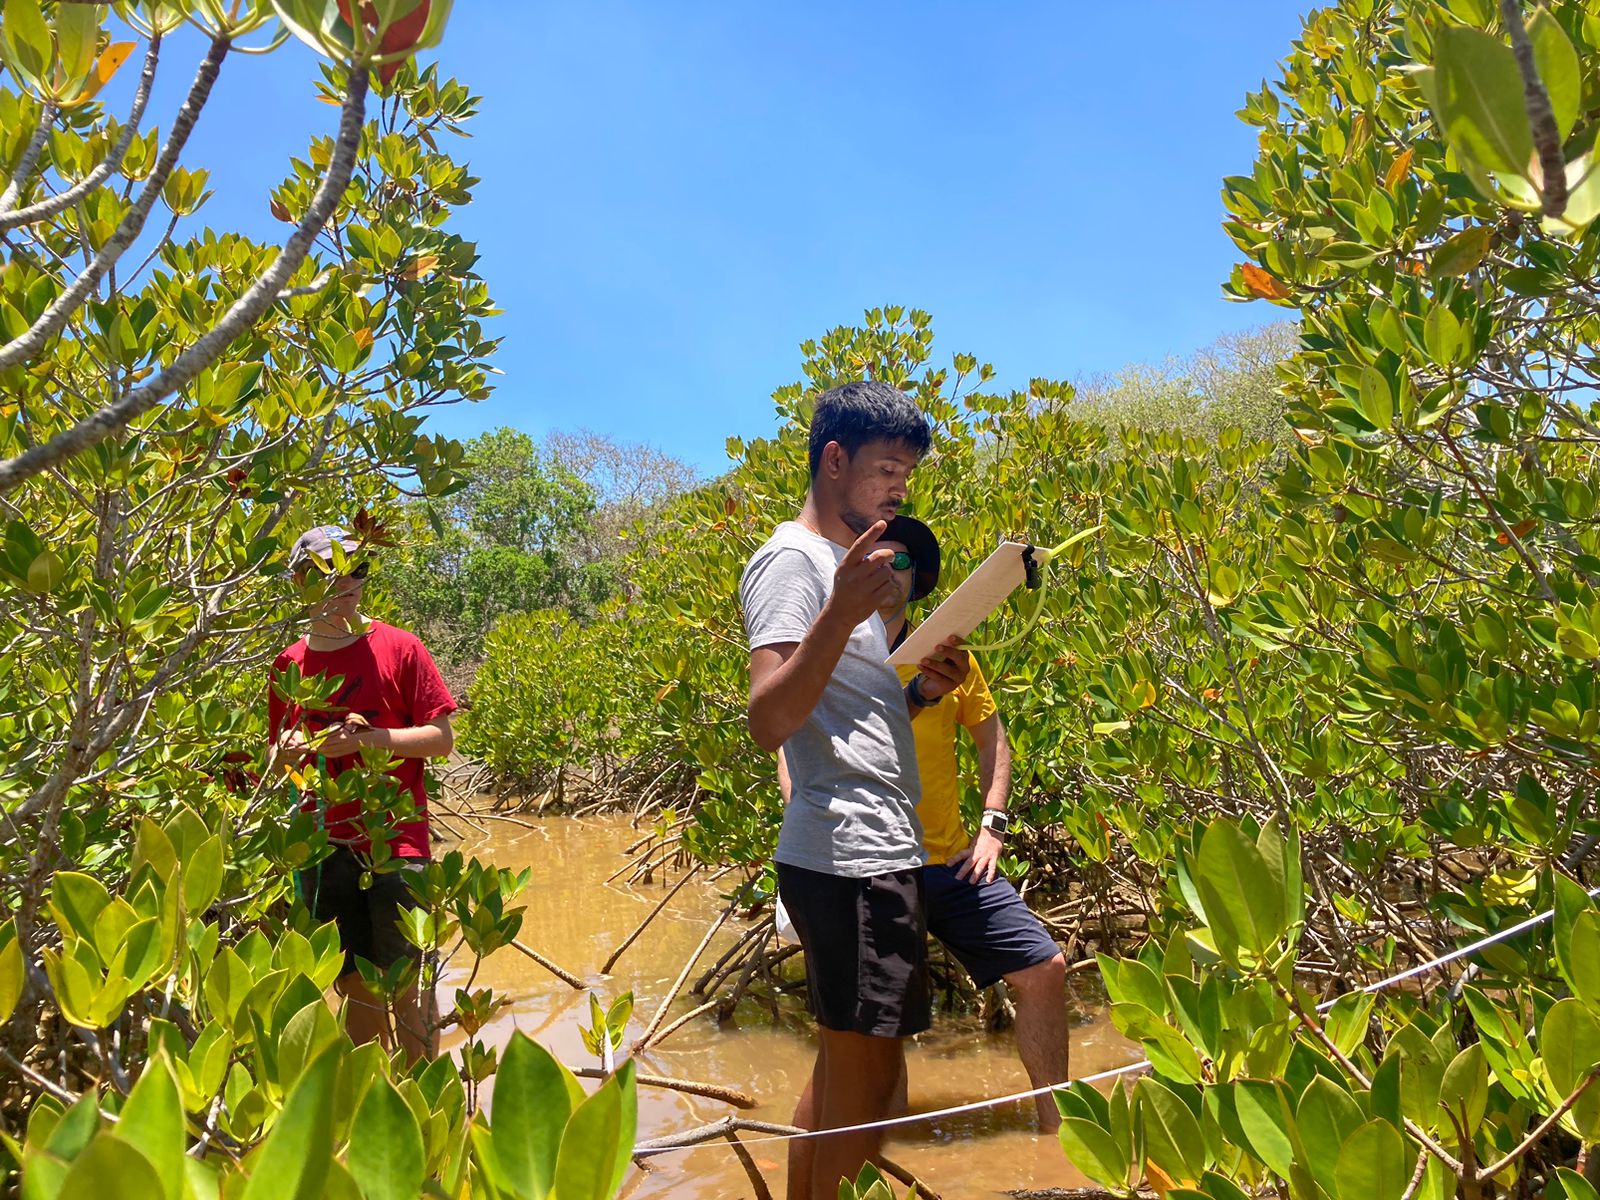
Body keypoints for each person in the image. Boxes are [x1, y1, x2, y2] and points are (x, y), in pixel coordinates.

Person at [741, 381, 970, 1200]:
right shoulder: (795, 564)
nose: (898, 491)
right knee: (865, 1091)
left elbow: (838, 715)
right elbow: (769, 720)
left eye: (906, 476)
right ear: (832, 461)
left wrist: (920, 694)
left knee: (850, 1077)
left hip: (874, 846)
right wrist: (841, 609)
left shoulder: (855, 577)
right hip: (846, 854)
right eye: (884, 470)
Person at [782, 514, 1068, 1147]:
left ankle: (1062, 1137)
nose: (889, 572)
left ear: (918, 583)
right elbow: (789, 745)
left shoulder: (946, 655)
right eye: (875, 560)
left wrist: (992, 828)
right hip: (867, 863)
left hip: (951, 862)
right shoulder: (827, 649)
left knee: (1045, 968)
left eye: (902, 564)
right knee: (878, 1035)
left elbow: (995, 742)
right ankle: (879, 1164)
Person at [267, 524, 456, 1062]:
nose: (348, 582)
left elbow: (441, 739)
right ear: (301, 581)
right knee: (353, 984)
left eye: (358, 570)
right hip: (323, 845)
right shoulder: (288, 665)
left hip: (396, 841)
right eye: (332, 572)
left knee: (411, 982)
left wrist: (368, 740)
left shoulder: (401, 647)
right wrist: (297, 748)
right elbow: (276, 759)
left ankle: (428, 1111)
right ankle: (372, 1109)